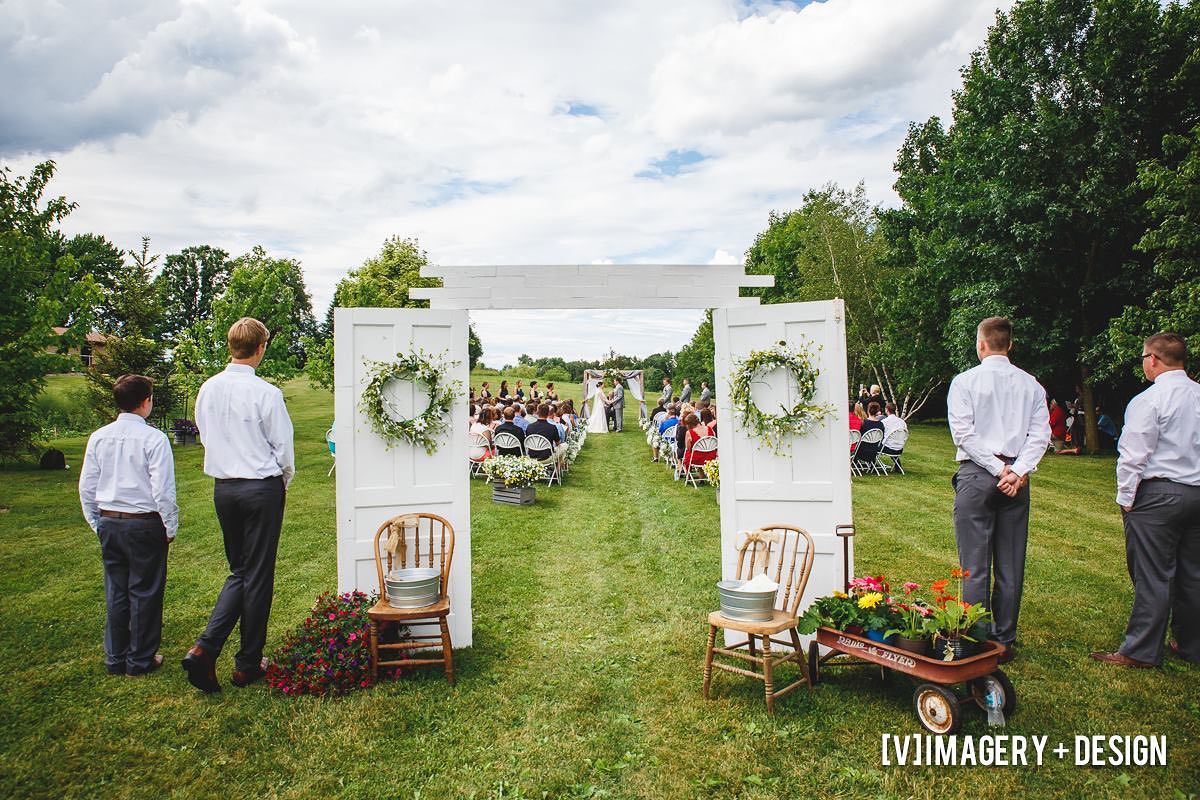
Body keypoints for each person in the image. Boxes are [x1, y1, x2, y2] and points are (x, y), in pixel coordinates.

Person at [184, 318, 294, 693]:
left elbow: (205, 435)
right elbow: (283, 450)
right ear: (260, 347)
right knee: (257, 574)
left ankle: (207, 648)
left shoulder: (207, 389)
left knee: (240, 570)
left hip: (225, 488)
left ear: (232, 346)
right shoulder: (267, 393)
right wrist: (283, 482)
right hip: (260, 487)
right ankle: (245, 661)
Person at [1091, 333, 1200, 668]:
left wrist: (1126, 498)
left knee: (1153, 573)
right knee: (1193, 574)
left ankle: (1140, 651)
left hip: (1158, 495)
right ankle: (1190, 644)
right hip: (1196, 492)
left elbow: (1133, 456)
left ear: (1153, 359)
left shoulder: (1148, 400)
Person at [947, 316, 1049, 663]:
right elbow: (1041, 436)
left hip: (979, 474)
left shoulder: (965, 382)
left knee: (974, 563)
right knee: (1010, 561)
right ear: (1010, 345)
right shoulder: (1032, 385)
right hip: (1016, 480)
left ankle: (976, 640)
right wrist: (1016, 471)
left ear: (981, 344)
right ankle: (1003, 640)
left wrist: (998, 469)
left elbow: (964, 434)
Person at [79, 374, 178, 678]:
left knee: (117, 590)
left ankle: (115, 657)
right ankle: (139, 659)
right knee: (145, 591)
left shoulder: (99, 436)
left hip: (110, 520)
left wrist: (96, 521)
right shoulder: (154, 439)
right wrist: (170, 526)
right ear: (146, 401)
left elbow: (87, 486)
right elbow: (162, 490)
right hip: (143, 522)